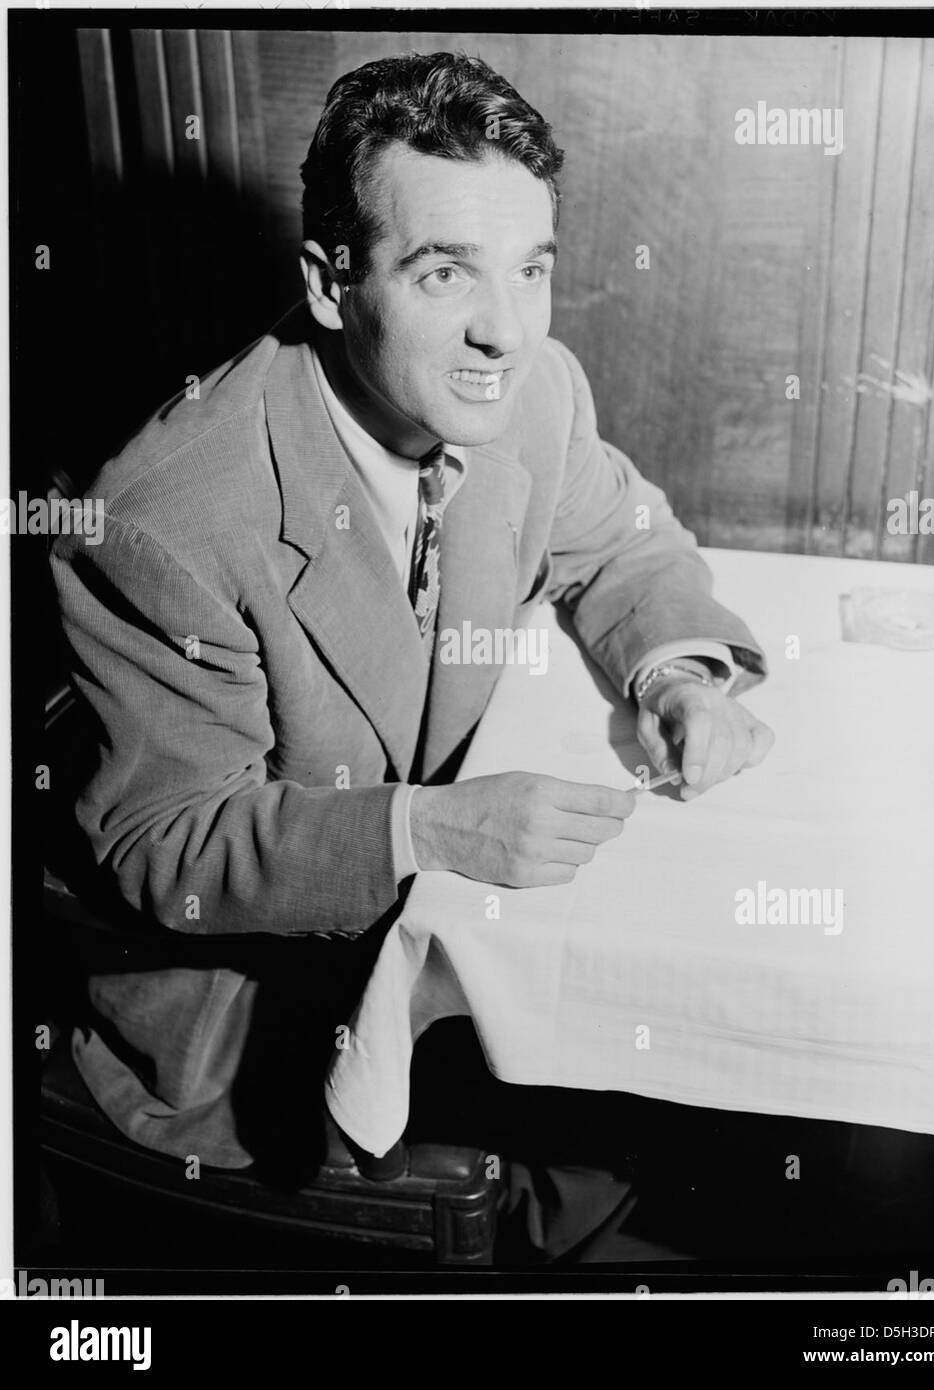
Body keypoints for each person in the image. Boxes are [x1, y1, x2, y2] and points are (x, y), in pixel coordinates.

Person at [50, 51, 773, 1262]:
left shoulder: (530, 389)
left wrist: (674, 676)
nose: (506, 327)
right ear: (332, 286)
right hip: (260, 1020)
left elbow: (618, 544)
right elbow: (160, 851)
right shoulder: (164, 521)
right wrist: (423, 830)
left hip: (446, 943)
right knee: (666, 1150)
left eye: (530, 269)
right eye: (445, 273)